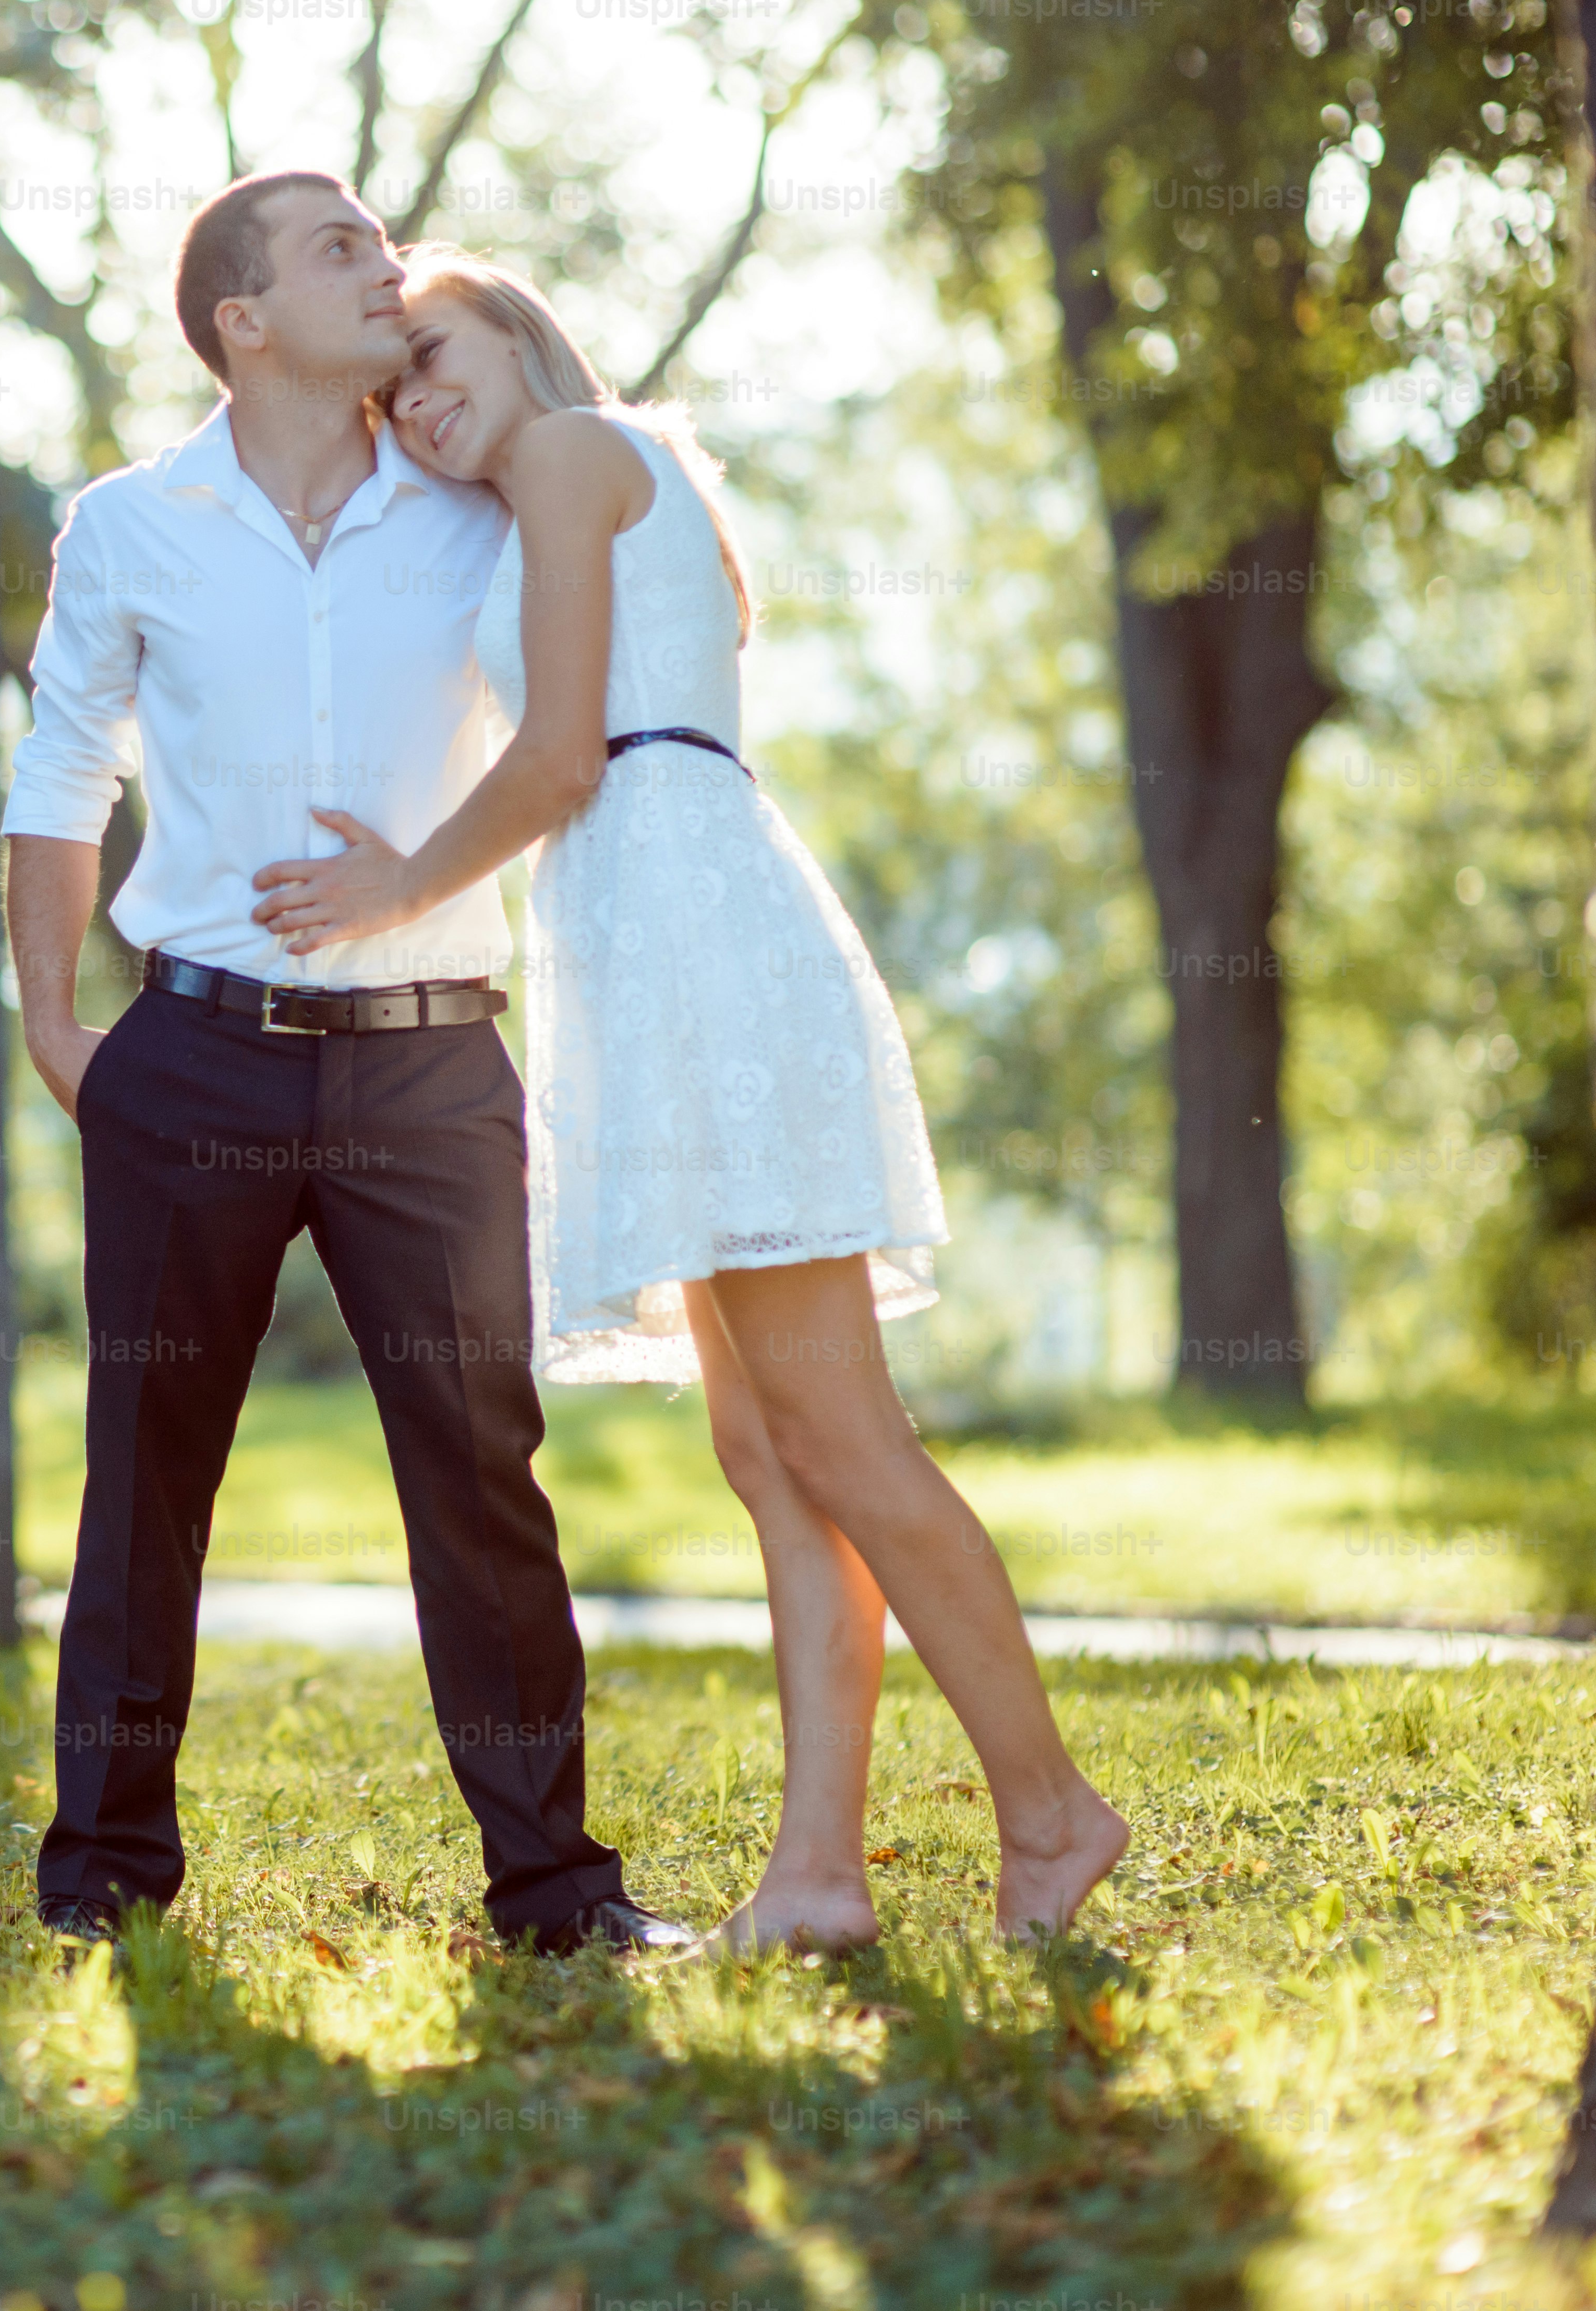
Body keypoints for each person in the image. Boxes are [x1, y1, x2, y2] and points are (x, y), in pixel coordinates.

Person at [250, 250, 1131, 1945]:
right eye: (391, 395)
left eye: (433, 355)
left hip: (704, 951)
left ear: (519, 332)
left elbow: (566, 754)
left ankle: (1051, 1815)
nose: (418, 399)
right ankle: (816, 1882)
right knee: (769, 1449)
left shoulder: (582, 453)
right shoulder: (545, 507)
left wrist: (396, 891)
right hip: (652, 957)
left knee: (843, 1439)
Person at [0, 174, 688, 1958]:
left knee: (482, 1479)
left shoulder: (481, 502)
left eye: (385, 246)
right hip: (194, 1056)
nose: (384, 267)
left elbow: (578, 730)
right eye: (338, 250)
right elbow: (62, 776)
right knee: (144, 1477)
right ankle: (101, 1881)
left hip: (435, 1071)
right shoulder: (132, 525)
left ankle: (556, 1892)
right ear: (241, 319)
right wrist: (60, 1025)